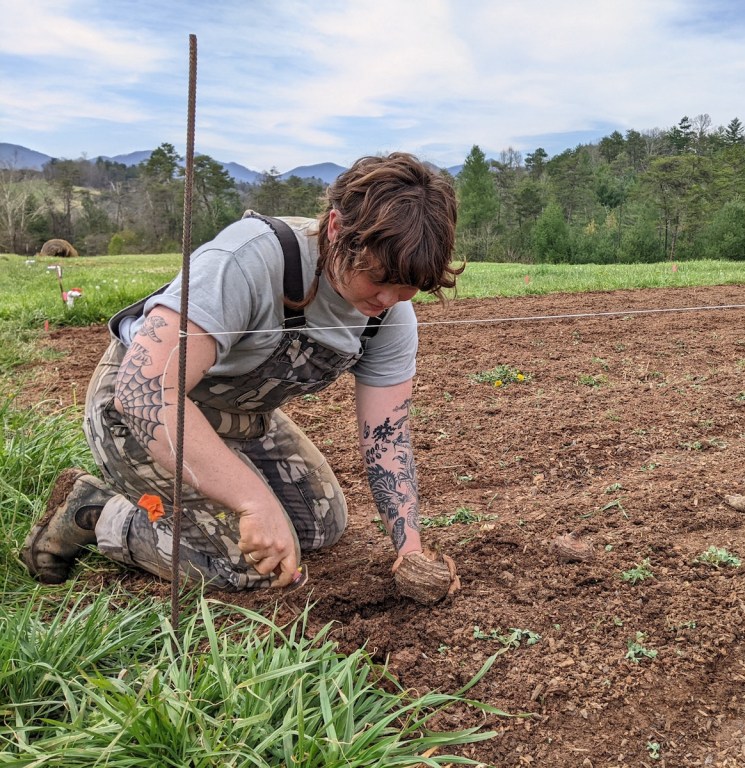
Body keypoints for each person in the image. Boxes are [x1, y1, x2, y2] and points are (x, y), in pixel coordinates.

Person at [21, 152, 462, 600]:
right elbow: (143, 390)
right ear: (335, 229)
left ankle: (172, 505)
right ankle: (97, 512)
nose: (388, 298)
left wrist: (410, 550)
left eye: (408, 287)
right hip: (135, 414)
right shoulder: (248, 259)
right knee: (257, 567)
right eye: (378, 278)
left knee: (320, 526)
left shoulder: (388, 317)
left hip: (238, 418)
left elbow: (386, 437)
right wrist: (252, 500)